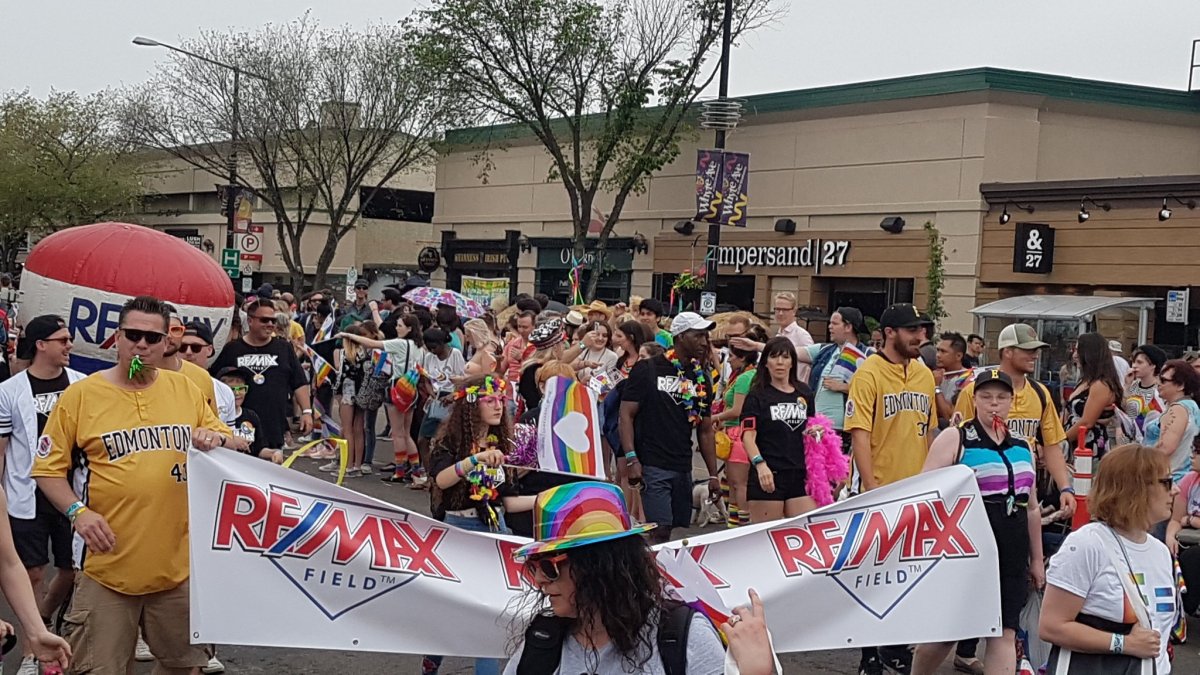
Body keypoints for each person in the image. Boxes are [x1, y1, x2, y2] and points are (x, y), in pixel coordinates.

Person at [33, 295, 245, 675]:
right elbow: (47, 469)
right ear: (117, 338)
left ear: (166, 343)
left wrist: (217, 438)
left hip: (177, 568)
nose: (141, 345)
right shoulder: (82, 395)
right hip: (108, 567)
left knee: (185, 666)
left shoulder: (186, 389)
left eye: (152, 338)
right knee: (100, 668)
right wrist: (78, 512)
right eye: (132, 335)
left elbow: (233, 441)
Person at [505, 481, 724, 675]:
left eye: (548, 566)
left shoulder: (684, 638)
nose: (539, 579)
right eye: (533, 567)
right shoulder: (541, 643)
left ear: (601, 565)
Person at [913, 369, 1044, 675]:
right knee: (947, 633)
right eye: (986, 397)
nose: (994, 404)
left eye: (1001, 397)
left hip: (1011, 549)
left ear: (1011, 401)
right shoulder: (957, 438)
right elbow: (924, 493)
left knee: (1004, 630)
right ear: (974, 400)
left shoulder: (1022, 446)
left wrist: (1037, 560)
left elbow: (1032, 508)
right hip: (969, 548)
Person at [844, 302, 936, 675]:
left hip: (915, 489)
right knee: (872, 578)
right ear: (889, 333)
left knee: (906, 576)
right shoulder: (868, 373)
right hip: (879, 488)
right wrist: (870, 489)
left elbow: (929, 431)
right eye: (913, 330)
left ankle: (895, 647)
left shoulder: (924, 374)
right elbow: (859, 435)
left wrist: (934, 480)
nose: (921, 336)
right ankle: (869, 654)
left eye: (922, 329)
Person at [1039, 443, 1177, 674]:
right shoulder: (1087, 544)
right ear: (1135, 488)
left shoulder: (1160, 552)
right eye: (1167, 482)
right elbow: (1051, 626)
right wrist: (1124, 644)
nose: (1176, 490)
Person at [0, 316, 83, 675]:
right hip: (25, 493)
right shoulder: (10, 390)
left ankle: (42, 618)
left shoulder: (81, 385)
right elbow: (2, 447)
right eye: (62, 339)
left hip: (69, 492)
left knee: (71, 570)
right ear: (40, 344)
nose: (69, 345)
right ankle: (32, 652)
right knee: (31, 571)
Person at [955, 323, 1076, 518]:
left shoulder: (1040, 392)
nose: (1035, 355)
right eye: (1028, 350)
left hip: (1025, 493)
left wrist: (1065, 488)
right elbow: (957, 444)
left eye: (1036, 350)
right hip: (981, 496)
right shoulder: (975, 392)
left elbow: (1051, 445)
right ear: (1008, 352)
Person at [620, 312, 720, 545]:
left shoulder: (701, 377)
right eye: (698, 336)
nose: (704, 342)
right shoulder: (647, 369)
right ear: (681, 337)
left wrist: (713, 474)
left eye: (706, 336)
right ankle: (653, 567)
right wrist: (632, 459)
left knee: (676, 529)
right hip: (652, 463)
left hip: (683, 465)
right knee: (660, 530)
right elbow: (626, 415)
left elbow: (705, 429)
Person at [211, 298, 313, 455]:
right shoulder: (232, 349)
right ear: (250, 321)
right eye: (264, 320)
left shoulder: (283, 348)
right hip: (239, 428)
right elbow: (214, 384)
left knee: (272, 467)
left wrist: (306, 412)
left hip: (273, 427)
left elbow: (299, 382)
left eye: (273, 320)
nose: (270, 324)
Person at [741, 337, 821, 522]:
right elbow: (747, 436)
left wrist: (817, 431)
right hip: (769, 473)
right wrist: (760, 465)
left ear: (792, 362)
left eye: (785, 357)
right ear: (765, 362)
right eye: (774, 357)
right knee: (766, 535)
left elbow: (810, 426)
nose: (779, 362)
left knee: (806, 529)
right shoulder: (756, 396)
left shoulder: (804, 392)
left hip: (799, 473)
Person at [341, 315, 427, 483]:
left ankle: (399, 471)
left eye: (400, 325)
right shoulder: (420, 348)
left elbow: (372, 344)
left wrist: (348, 335)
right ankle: (416, 471)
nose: (396, 328)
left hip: (397, 388)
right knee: (406, 433)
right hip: (412, 389)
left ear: (409, 328)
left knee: (397, 433)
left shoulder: (400, 343)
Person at [789, 307, 869, 456]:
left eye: (835, 323)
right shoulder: (824, 350)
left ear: (848, 327)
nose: (829, 327)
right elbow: (789, 352)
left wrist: (845, 387)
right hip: (815, 425)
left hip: (844, 429)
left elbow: (875, 390)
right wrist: (757, 346)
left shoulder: (867, 355)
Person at [711, 340, 758, 528]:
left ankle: (742, 526)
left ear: (743, 358)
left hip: (739, 434)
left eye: (731, 356)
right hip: (735, 432)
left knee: (739, 484)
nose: (728, 360)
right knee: (732, 482)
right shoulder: (743, 375)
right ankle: (733, 523)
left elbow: (737, 410)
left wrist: (714, 418)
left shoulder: (745, 378)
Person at [415, 328, 467, 489]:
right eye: (429, 348)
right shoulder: (429, 357)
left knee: (446, 440)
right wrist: (431, 393)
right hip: (436, 399)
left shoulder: (455, 355)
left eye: (435, 347)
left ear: (442, 344)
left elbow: (463, 380)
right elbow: (426, 379)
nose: (433, 351)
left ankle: (447, 476)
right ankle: (430, 475)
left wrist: (453, 396)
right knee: (423, 439)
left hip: (452, 398)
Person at [1063, 332, 1122, 461]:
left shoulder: (1101, 385)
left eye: (1078, 351)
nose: (1074, 355)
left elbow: (1087, 422)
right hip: (1073, 442)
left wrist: (1060, 441)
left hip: (1088, 446)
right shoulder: (1085, 381)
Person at [1144, 359, 1200, 482]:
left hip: (1169, 479)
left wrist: (1137, 460)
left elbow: (1165, 448)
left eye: (1163, 380)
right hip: (1182, 478)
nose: (1158, 383)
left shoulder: (1178, 409)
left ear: (1180, 385)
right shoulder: (1191, 406)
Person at [216, 367, 281, 463]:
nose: (237, 393)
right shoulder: (215, 416)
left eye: (241, 388)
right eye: (231, 389)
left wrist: (274, 453)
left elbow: (259, 449)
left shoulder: (251, 416)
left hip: (247, 467)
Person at [178, 322, 238, 425]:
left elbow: (229, 431)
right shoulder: (167, 385)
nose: (188, 352)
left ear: (209, 350)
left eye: (196, 347)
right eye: (182, 347)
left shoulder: (224, 391)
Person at [1167, 445, 1200, 617]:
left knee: (1192, 557)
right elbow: (1176, 519)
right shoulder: (1189, 480)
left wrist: (1191, 520)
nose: (1191, 456)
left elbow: (1185, 519)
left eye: (1197, 452)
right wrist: (1170, 537)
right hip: (1188, 541)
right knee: (1170, 553)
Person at [518, 320, 568, 413]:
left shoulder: (531, 367)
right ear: (555, 347)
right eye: (562, 343)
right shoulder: (540, 369)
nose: (564, 346)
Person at [1123, 344, 1167, 442]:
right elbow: (1125, 411)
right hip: (1133, 440)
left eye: (1139, 362)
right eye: (1133, 362)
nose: (1134, 366)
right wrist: (1127, 386)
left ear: (1153, 365)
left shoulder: (1161, 389)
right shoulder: (1132, 385)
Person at [768, 292, 813, 381]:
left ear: (794, 311)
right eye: (778, 309)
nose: (780, 313)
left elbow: (812, 360)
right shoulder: (778, 335)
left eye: (785, 310)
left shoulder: (802, 335)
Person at [933, 332, 971, 425]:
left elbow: (950, 416)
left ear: (958, 356)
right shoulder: (937, 375)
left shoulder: (967, 379)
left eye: (943, 351)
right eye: (938, 350)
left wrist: (936, 387)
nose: (938, 355)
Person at [500, 310, 537, 388]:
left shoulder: (539, 346)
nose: (521, 330)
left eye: (525, 327)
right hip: (511, 390)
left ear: (534, 327)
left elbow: (539, 370)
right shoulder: (512, 344)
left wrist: (522, 358)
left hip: (530, 389)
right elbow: (501, 370)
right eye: (519, 326)